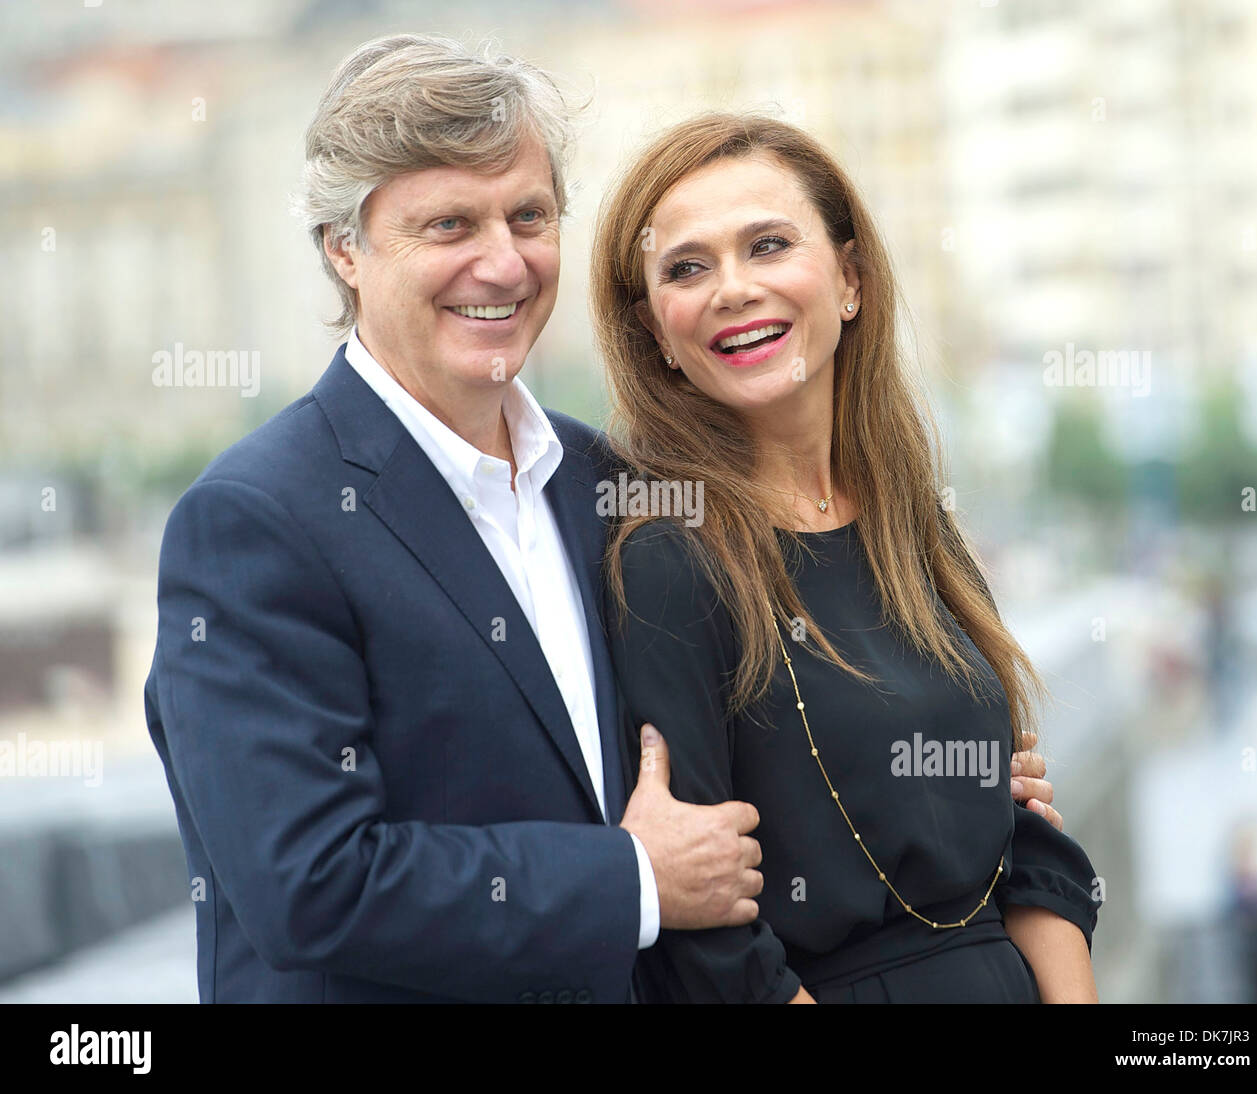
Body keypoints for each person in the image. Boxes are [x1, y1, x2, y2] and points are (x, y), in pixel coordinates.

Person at [144, 34, 1063, 1004]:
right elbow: (307, 882)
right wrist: (631, 880)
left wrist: (946, 774)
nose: (502, 263)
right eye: (450, 224)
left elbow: (744, 739)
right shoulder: (255, 521)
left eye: (529, 215)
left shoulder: (613, 486)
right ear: (345, 248)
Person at [593, 113, 1101, 1003]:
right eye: (687, 267)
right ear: (655, 335)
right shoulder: (670, 562)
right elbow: (713, 942)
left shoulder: (917, 527)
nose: (733, 288)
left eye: (768, 244)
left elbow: (1029, 845)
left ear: (851, 279)